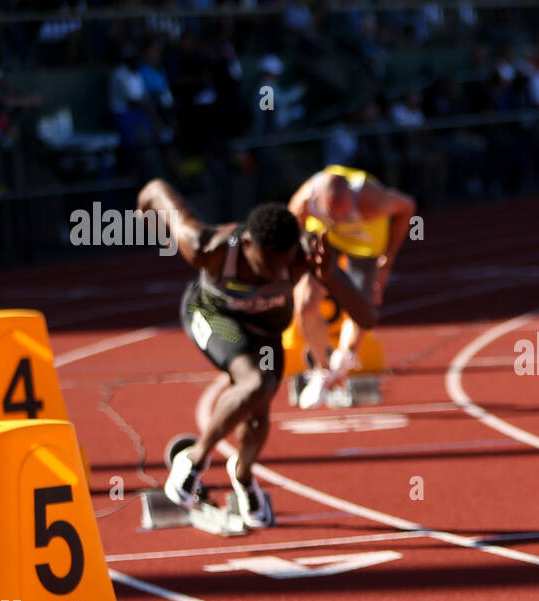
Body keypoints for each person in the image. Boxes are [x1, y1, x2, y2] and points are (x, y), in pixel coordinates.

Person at [138, 178, 376, 525]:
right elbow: (155, 190)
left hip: (265, 329)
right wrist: (144, 214)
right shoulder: (206, 246)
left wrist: (331, 277)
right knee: (254, 384)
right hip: (214, 315)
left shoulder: (305, 255)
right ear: (247, 243)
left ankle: (244, 476)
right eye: (268, 266)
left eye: (284, 265)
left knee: (260, 399)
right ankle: (194, 459)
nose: (279, 273)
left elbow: (367, 315)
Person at [287, 165, 416, 408]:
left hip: (365, 248)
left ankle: (345, 360)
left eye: (343, 214)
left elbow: (408, 206)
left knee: (362, 310)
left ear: (353, 202)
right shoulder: (304, 202)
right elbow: (291, 231)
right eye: (331, 214)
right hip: (326, 240)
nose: (338, 219)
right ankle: (322, 370)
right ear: (319, 202)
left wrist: (387, 261)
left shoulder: (374, 201)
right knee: (304, 303)